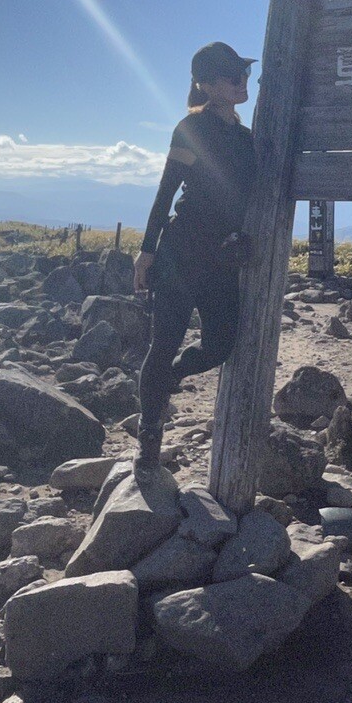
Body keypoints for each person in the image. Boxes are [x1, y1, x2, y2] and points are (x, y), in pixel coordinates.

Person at [133, 41, 257, 474]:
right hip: (179, 253)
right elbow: (166, 193)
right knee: (162, 343)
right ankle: (149, 439)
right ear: (207, 84)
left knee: (221, 344)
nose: (243, 81)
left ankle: (168, 380)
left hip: (220, 258)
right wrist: (147, 251)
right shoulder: (191, 129)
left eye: (243, 73)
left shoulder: (247, 138)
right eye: (232, 76)